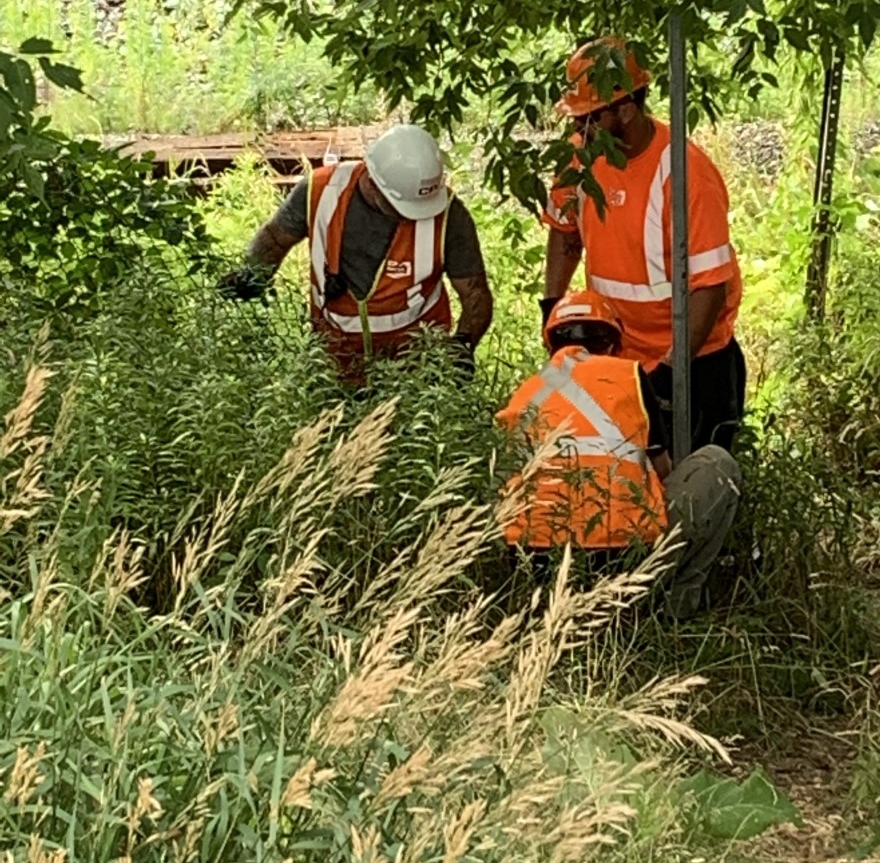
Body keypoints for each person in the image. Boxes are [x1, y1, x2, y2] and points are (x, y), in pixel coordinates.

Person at [541, 36, 746, 453]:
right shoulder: (580, 159)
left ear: (626, 109)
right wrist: (553, 307)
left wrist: (674, 370)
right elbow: (564, 234)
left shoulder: (686, 176)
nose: (579, 131)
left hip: (695, 359)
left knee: (697, 476)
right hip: (614, 353)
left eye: (589, 119)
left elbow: (709, 286)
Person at [497, 291, 741, 617]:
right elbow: (662, 472)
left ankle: (530, 604)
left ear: (550, 345)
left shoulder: (524, 393)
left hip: (541, 576)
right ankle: (672, 608)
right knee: (718, 462)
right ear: (614, 343)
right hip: (624, 571)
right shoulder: (630, 377)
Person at [221, 124, 493, 381]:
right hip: (333, 363)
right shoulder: (320, 191)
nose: (412, 215)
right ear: (373, 182)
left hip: (416, 373)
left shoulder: (448, 215)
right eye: (402, 206)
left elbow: (475, 293)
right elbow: (275, 237)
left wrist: (462, 347)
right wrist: (255, 274)